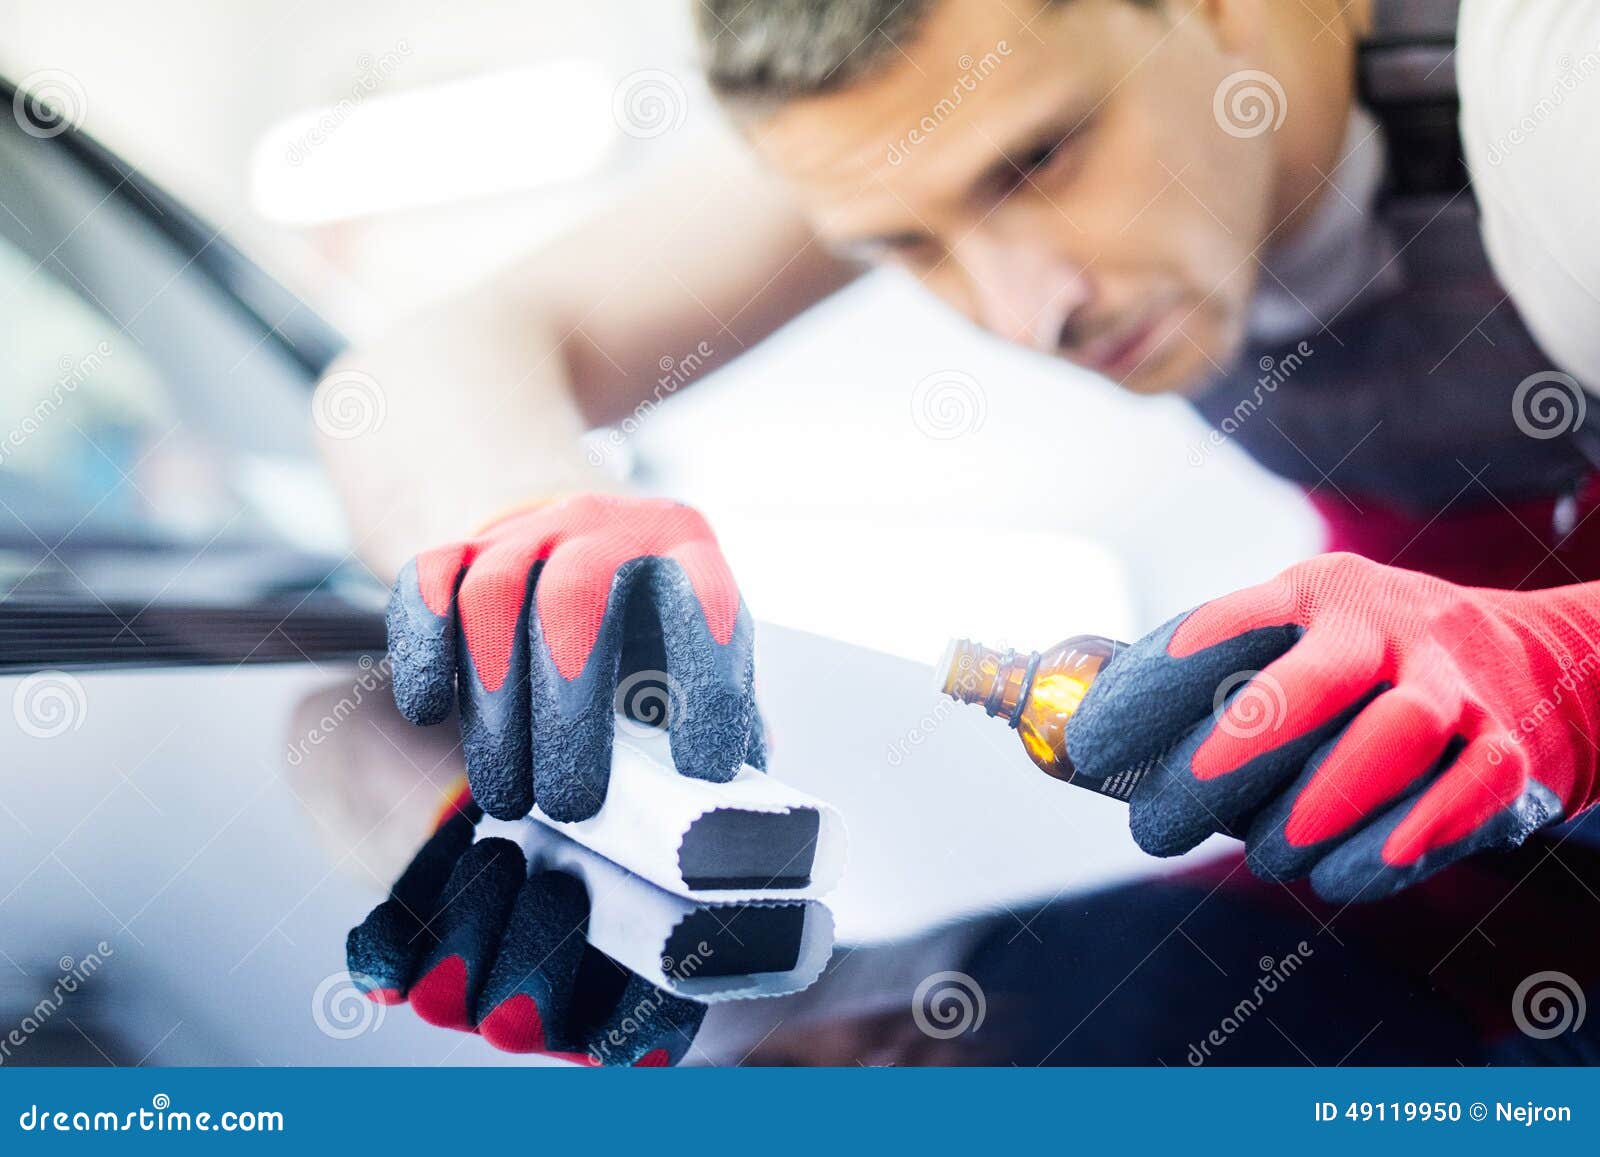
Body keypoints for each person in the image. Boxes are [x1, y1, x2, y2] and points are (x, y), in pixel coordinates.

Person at [321, 0, 1600, 912]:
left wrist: (1565, 665)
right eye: (909, 245)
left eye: (1038, 161)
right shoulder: (935, 100)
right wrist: (532, 526)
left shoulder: (1559, 93)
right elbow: (418, 373)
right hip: (1458, 782)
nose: (1026, 310)